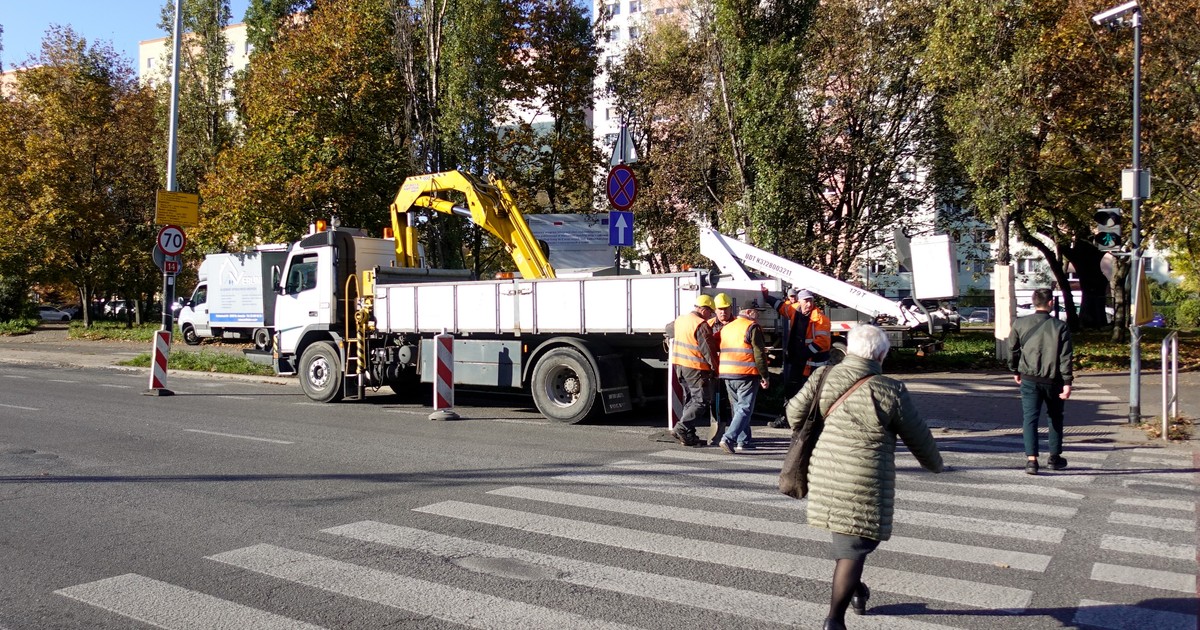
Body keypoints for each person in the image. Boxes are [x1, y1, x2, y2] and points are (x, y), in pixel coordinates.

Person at [787, 324, 943, 630]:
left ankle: (856, 589)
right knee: (855, 544)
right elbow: (918, 436)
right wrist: (935, 464)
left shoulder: (824, 376)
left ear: (849, 348)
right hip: (865, 476)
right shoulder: (890, 389)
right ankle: (834, 620)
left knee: (849, 539)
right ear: (882, 354)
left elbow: (794, 414)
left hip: (825, 470)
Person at [1007, 288, 1074, 475]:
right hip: (1054, 380)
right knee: (1055, 417)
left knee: (1030, 418)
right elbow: (1065, 357)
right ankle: (1054, 458)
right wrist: (1067, 382)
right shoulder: (1060, 326)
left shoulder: (1020, 323)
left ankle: (1031, 460)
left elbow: (1012, 349)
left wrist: (1015, 370)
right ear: (1051, 303)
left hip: (1029, 378)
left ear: (1034, 301)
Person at [762, 285, 831, 428]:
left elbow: (822, 342)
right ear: (799, 302)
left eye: (811, 300)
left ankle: (809, 422)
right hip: (798, 361)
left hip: (813, 365)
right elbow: (781, 307)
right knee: (792, 390)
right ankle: (787, 419)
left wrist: (803, 354)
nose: (809, 304)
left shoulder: (820, 319)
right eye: (805, 301)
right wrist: (767, 296)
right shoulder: (794, 310)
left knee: (810, 394)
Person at [665, 294, 718, 447]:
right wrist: (715, 368)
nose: (711, 315)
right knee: (701, 401)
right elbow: (708, 350)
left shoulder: (681, 319)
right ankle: (681, 428)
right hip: (695, 368)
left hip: (680, 367)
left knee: (690, 400)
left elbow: (668, 329)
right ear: (703, 309)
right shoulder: (701, 324)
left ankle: (688, 435)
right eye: (710, 312)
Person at [717, 307, 770, 453]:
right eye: (756, 315)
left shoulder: (727, 327)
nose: (757, 318)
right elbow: (759, 354)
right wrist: (764, 375)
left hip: (727, 373)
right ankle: (728, 438)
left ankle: (743, 441)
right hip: (746, 373)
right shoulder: (752, 327)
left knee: (738, 408)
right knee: (745, 408)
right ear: (748, 314)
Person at [707, 293, 736, 446]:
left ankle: (734, 431)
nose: (723, 312)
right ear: (715, 310)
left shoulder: (737, 324)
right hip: (716, 369)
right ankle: (718, 425)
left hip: (734, 369)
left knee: (733, 402)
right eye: (720, 309)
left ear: (731, 309)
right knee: (716, 400)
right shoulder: (709, 324)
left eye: (726, 309)